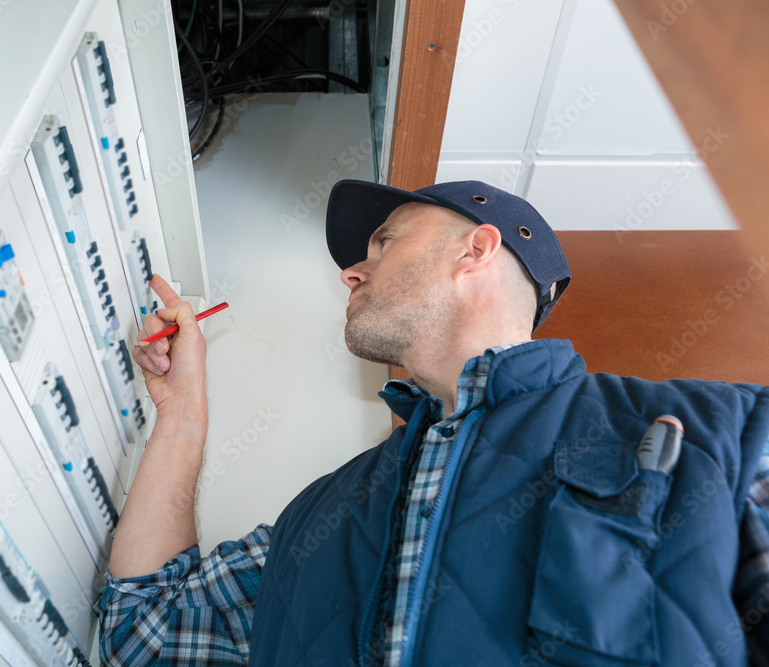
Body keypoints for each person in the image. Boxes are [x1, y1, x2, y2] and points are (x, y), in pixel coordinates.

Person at [96, 179, 769, 666]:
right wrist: (181, 410)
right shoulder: (317, 517)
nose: (351, 273)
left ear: (475, 249)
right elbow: (142, 631)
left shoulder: (718, 433)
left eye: (383, 240)